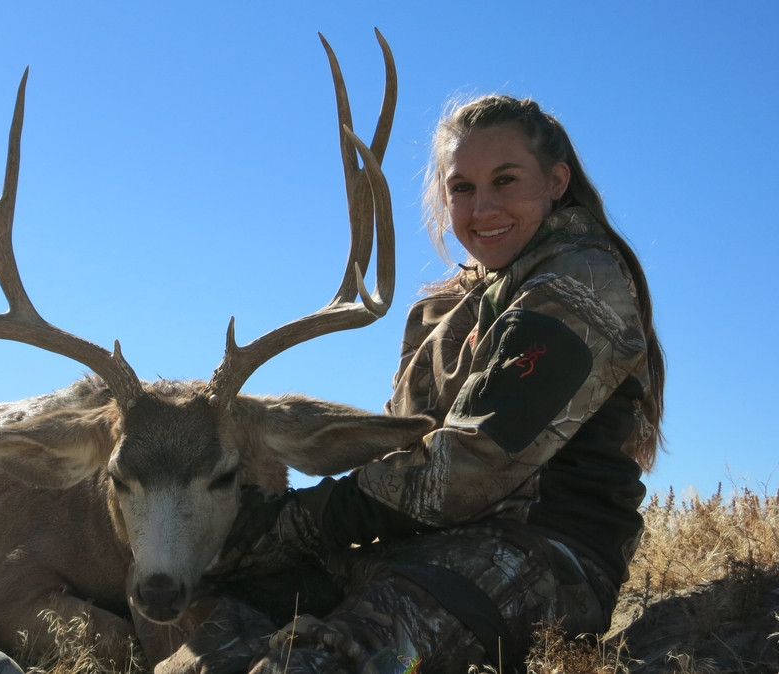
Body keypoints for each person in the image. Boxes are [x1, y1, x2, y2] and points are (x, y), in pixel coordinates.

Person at [157, 94, 665, 674]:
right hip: (421, 547)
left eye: (505, 180)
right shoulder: (445, 312)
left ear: (555, 181)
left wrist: (298, 523)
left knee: (336, 657)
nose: (483, 207)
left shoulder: (581, 282)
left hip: (538, 558)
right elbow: (401, 451)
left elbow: (467, 469)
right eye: (463, 189)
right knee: (216, 614)